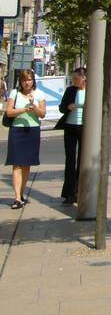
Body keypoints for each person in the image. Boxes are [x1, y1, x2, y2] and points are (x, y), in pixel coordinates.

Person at [6, 69, 46, 210]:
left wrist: (34, 106)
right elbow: (9, 112)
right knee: (16, 164)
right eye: (24, 80)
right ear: (20, 81)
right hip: (17, 130)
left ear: (33, 81)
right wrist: (23, 109)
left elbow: (42, 114)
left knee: (26, 165)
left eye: (29, 80)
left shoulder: (39, 94)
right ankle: (17, 198)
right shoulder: (14, 93)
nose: (27, 83)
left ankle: (21, 193)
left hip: (32, 130)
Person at [58, 67, 86, 204]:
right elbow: (61, 107)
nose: (74, 81)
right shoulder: (70, 90)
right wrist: (68, 107)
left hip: (85, 128)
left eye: (76, 78)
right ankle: (68, 193)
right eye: (73, 78)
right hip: (70, 126)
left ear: (84, 78)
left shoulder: (91, 91)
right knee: (70, 160)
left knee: (82, 159)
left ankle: (79, 190)